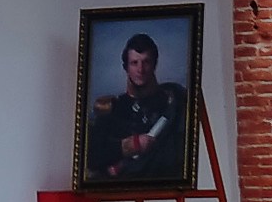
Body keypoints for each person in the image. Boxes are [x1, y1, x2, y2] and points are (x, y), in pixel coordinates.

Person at [81, 26, 192, 190]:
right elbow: (92, 154)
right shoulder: (112, 108)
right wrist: (129, 145)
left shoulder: (174, 100)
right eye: (134, 63)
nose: (140, 69)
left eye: (146, 62)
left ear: (154, 64)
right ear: (126, 67)